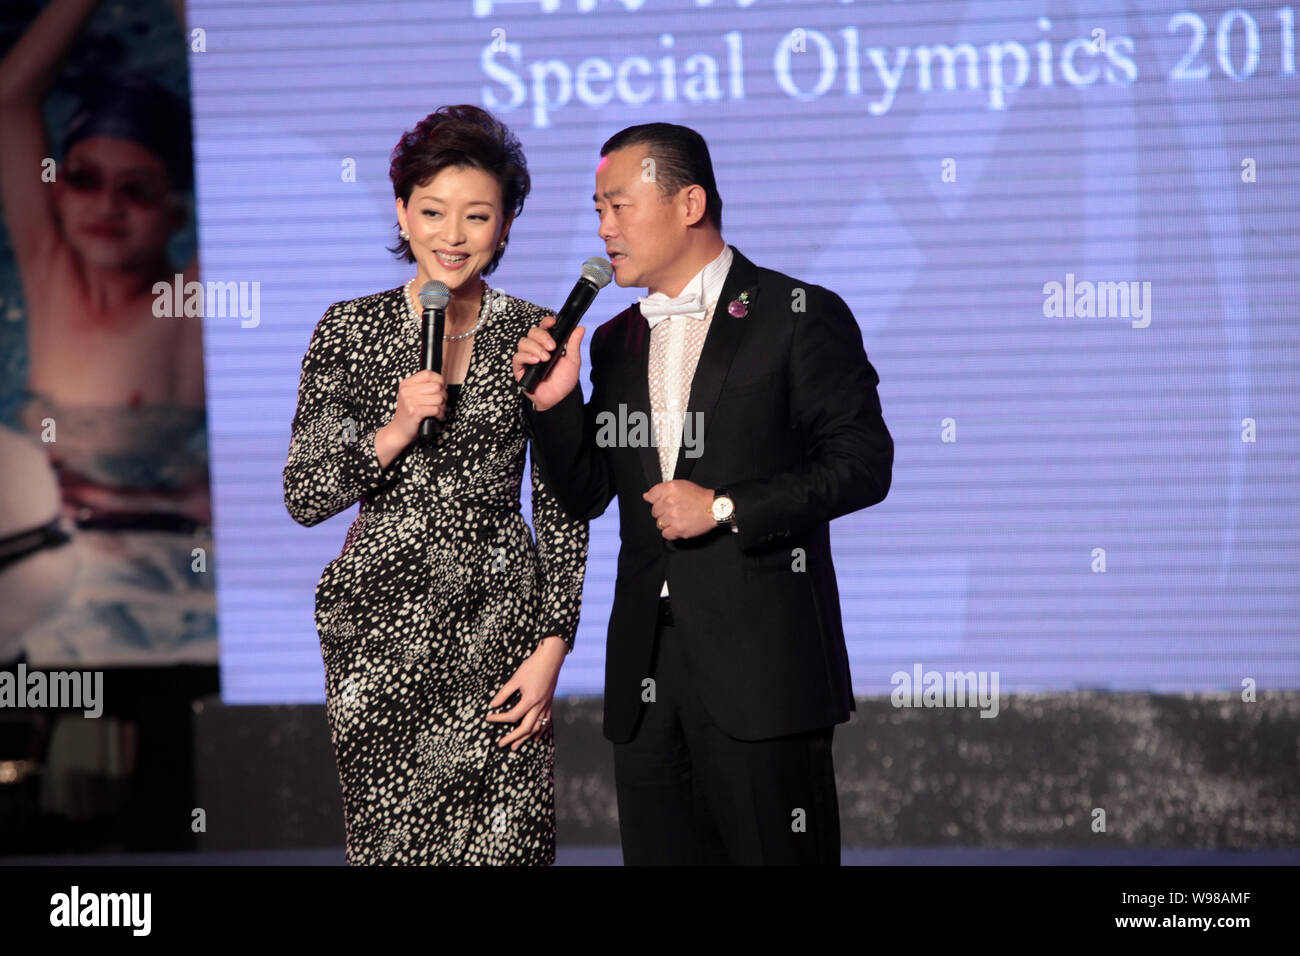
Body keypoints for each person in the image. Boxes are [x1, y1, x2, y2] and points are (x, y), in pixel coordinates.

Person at [512, 122, 893, 865]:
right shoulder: (619, 340)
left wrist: (724, 506)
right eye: (597, 210)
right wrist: (557, 403)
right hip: (648, 677)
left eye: (618, 205)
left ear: (689, 203)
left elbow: (863, 463)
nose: (603, 228)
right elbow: (590, 491)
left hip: (764, 674)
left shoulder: (797, 315)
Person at [283, 105, 588, 865]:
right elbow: (304, 493)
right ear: (402, 213)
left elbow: (565, 509)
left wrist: (554, 643)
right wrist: (388, 434)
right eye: (433, 212)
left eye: (477, 215)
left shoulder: (536, 335)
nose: (453, 235)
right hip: (379, 629)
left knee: (511, 846)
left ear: (506, 225)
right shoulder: (348, 330)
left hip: (499, 624)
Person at [0, 0, 214, 666]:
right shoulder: (49, 274)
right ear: (57, 191)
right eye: (84, 179)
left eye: (138, 190)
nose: (106, 205)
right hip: (55, 562)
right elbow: (8, 100)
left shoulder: (192, 306)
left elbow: (258, 134)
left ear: (177, 211)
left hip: (167, 562)